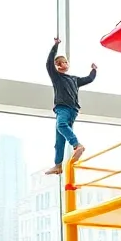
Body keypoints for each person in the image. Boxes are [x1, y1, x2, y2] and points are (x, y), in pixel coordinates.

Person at [44, 37, 97, 176]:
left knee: (61, 126)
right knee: (59, 140)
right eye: (59, 63)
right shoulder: (56, 77)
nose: (62, 64)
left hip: (69, 109)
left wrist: (93, 70)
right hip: (63, 108)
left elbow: (89, 79)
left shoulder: (74, 79)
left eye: (64, 62)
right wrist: (55, 46)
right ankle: (58, 165)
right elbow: (48, 63)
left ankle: (76, 145)